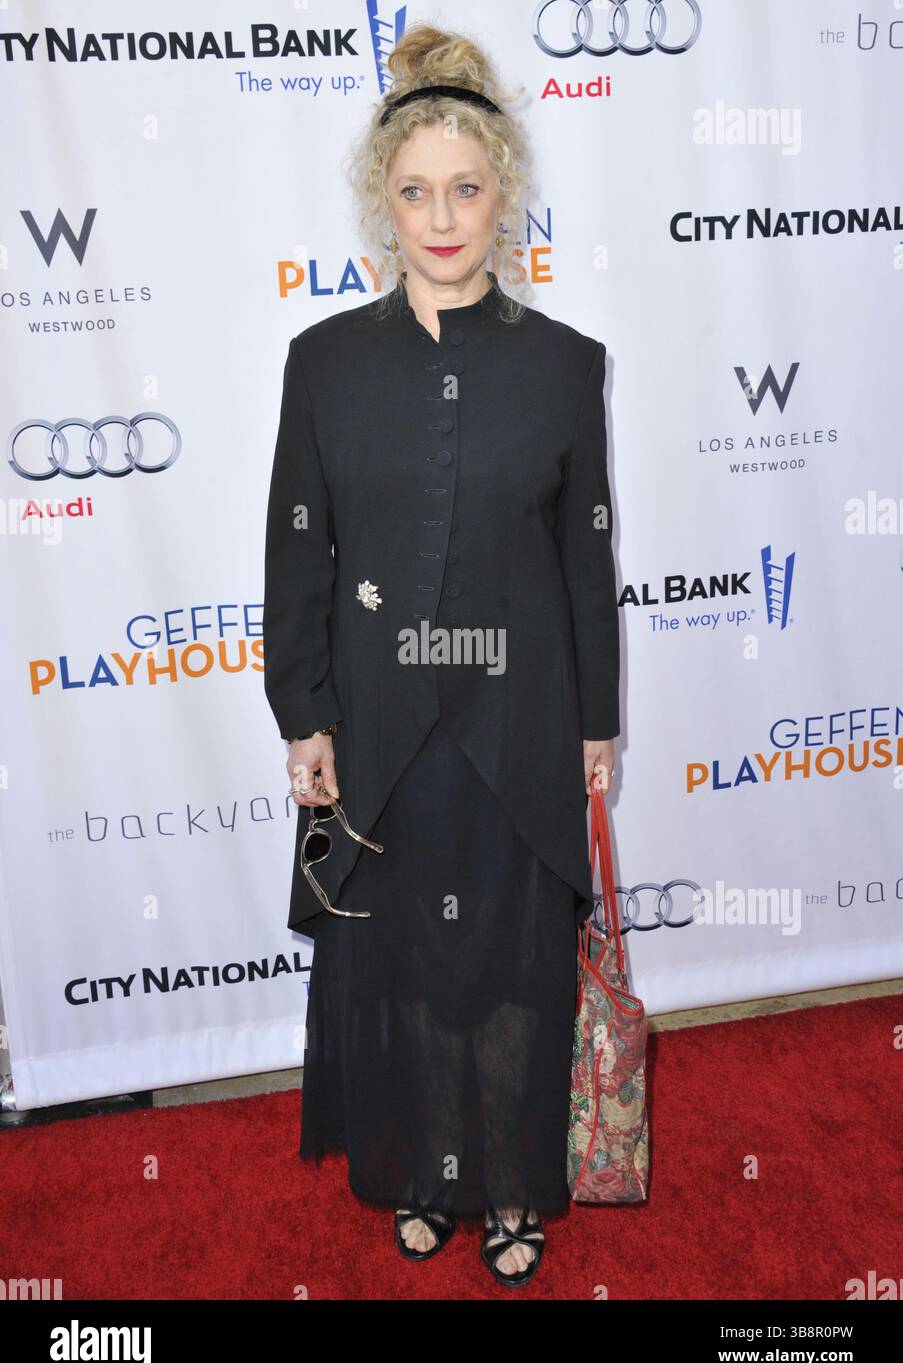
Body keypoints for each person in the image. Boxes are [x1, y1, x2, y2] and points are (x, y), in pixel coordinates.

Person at [262, 23, 619, 1289]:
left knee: (516, 963)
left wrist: (597, 723)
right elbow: (299, 552)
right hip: (382, 722)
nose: (444, 215)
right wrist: (304, 713)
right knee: (408, 958)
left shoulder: (568, 368)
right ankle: (425, 1170)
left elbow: (587, 559)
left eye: (466, 188)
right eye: (416, 191)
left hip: (522, 724)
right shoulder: (325, 364)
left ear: (502, 191)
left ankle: (515, 1188)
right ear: (383, 205)